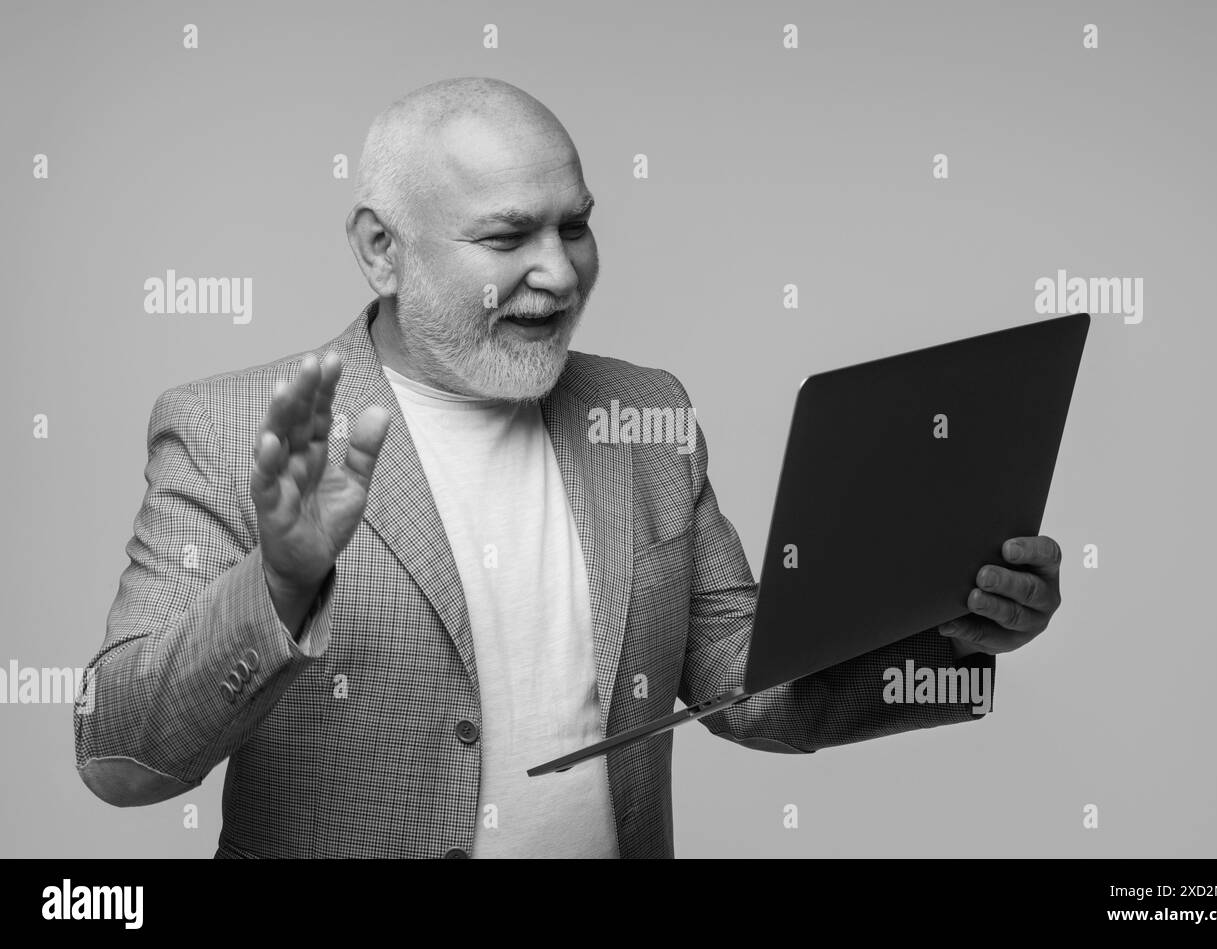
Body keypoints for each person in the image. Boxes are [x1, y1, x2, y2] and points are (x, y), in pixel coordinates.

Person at [74, 77, 1064, 858]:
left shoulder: (647, 412)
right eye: (507, 235)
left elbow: (744, 683)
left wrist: (947, 629)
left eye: (574, 225)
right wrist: (279, 583)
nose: (559, 272)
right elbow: (119, 758)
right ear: (381, 249)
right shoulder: (224, 426)